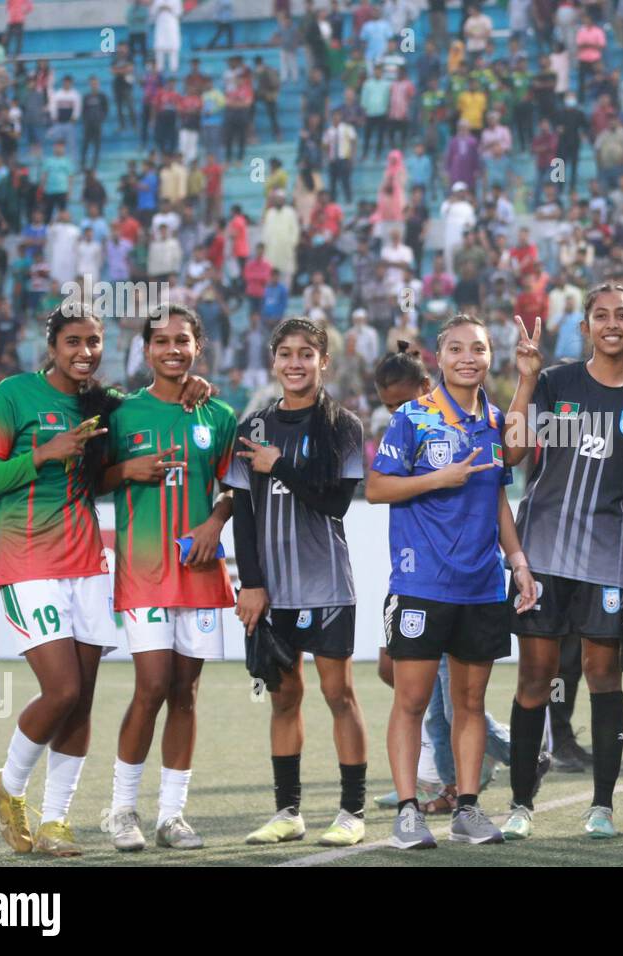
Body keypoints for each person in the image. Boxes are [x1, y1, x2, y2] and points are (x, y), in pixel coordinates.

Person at [499, 284, 623, 840]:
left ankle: (602, 806)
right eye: (601, 315)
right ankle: (521, 803)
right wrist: (525, 378)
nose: (612, 323)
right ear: (587, 327)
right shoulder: (554, 383)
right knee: (535, 676)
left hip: (607, 561)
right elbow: (515, 452)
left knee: (602, 676)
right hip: (543, 555)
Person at [366, 314, 538, 850]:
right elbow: (375, 488)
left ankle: (467, 809)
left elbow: (501, 489)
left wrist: (519, 563)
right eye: (458, 349)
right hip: (421, 583)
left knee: (470, 703)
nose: (469, 357)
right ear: (438, 359)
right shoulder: (412, 418)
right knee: (412, 701)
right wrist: (440, 478)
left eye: (479, 349)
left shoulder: (493, 418)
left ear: (491, 357)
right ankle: (408, 812)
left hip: (483, 585)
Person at [0, 306, 118, 857]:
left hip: (85, 560)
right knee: (61, 689)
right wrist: (44, 453)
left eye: (95, 341)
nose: (85, 352)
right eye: (74, 342)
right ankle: (9, 786)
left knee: (82, 700)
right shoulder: (13, 395)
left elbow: (88, 481)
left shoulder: (103, 405)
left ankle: (56, 822)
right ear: (53, 346)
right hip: (28, 558)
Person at [101, 304, 236, 852]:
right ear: (145, 350)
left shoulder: (218, 414)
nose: (172, 350)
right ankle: (121, 810)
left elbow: (236, 487)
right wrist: (124, 470)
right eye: (161, 342)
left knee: (186, 693)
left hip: (199, 572)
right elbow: (86, 480)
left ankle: (171, 817)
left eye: (182, 341)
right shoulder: (120, 413)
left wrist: (216, 519)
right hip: (144, 571)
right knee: (152, 686)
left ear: (197, 347)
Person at [231, 319, 370, 847]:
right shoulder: (252, 427)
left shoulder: (343, 426)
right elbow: (243, 512)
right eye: (286, 353)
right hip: (274, 593)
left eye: (306, 354)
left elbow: (335, 501)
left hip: (328, 585)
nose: (296, 363)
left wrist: (281, 465)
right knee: (284, 698)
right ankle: (287, 813)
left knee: (340, 696)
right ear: (273, 361)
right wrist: (252, 584)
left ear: (323, 362)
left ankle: (351, 813)